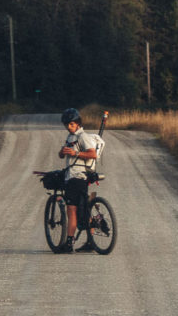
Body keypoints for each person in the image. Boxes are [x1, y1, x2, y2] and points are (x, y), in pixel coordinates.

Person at [57, 107, 99, 253]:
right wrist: (62, 152)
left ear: (78, 123)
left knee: (72, 209)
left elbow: (93, 154)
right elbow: (62, 155)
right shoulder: (70, 137)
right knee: (83, 210)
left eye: (72, 124)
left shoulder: (82, 137)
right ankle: (90, 241)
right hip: (71, 176)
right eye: (67, 125)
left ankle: (69, 243)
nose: (69, 127)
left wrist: (76, 153)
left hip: (78, 176)